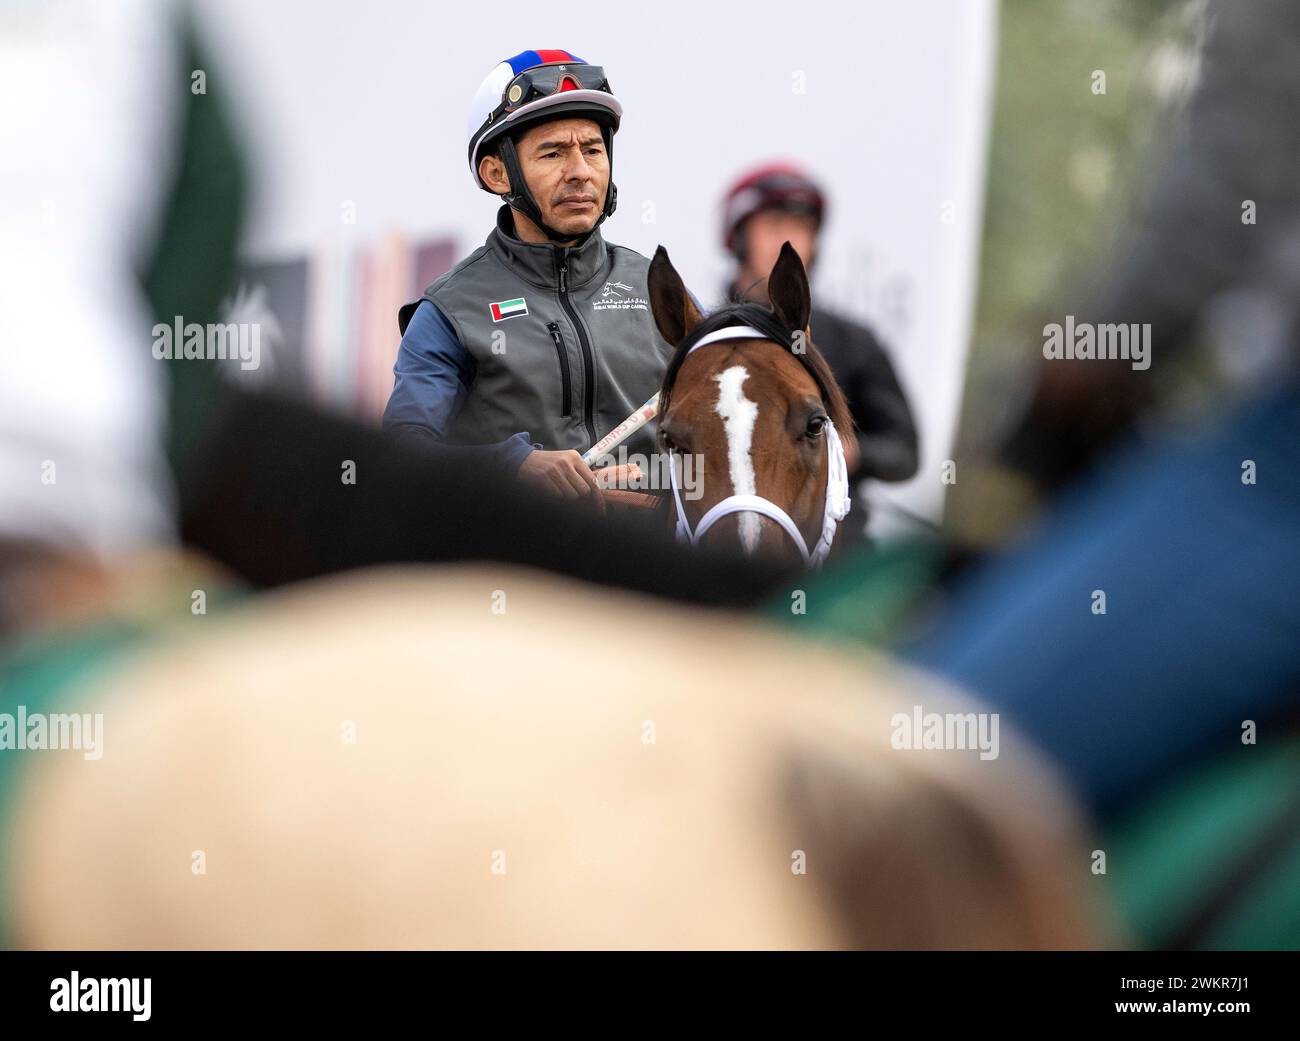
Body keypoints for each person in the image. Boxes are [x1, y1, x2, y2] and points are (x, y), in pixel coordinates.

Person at [383, 50, 673, 505]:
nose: (580, 171)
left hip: (653, 571)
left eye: (593, 150)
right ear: (497, 173)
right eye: (553, 153)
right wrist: (513, 466)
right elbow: (401, 454)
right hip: (514, 569)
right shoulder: (449, 312)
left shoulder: (658, 289)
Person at [721, 163, 919, 533]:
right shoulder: (698, 333)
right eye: (775, 226)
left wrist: (851, 453)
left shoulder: (853, 341)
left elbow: (905, 452)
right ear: (738, 237)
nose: (790, 242)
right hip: (718, 536)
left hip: (831, 549)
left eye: (802, 229)